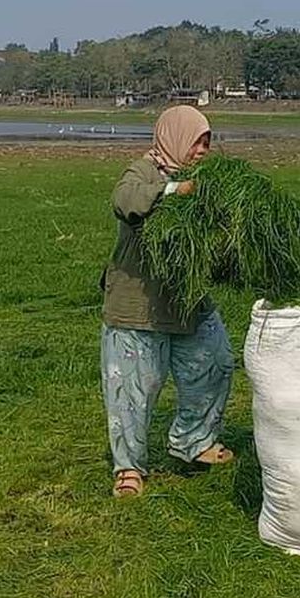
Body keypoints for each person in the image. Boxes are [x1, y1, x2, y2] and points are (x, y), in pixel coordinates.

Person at [100, 105, 236, 498]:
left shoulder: (207, 180)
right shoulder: (144, 171)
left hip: (188, 299)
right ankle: (128, 468)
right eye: (197, 141)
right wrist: (176, 190)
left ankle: (194, 443)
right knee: (133, 387)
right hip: (137, 304)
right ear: (176, 137)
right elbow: (125, 201)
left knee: (215, 362)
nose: (203, 150)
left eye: (208, 142)